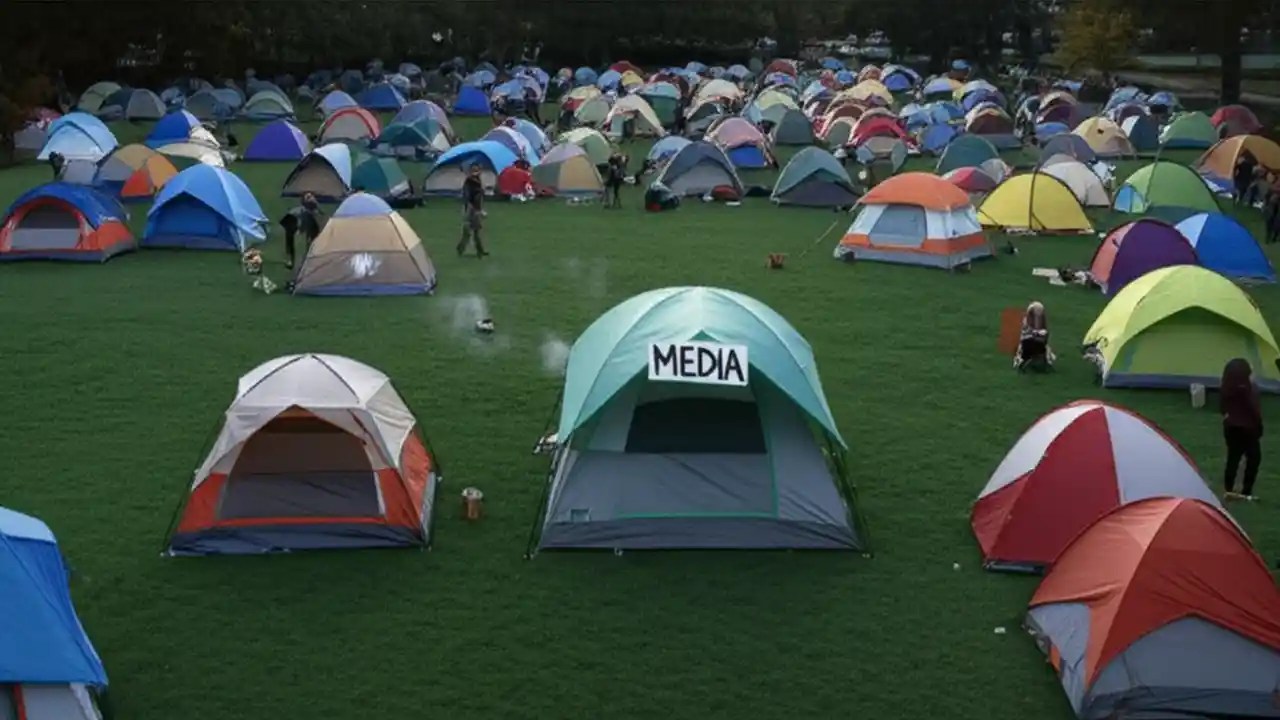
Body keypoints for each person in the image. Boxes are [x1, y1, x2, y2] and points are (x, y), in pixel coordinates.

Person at [1221, 358, 1263, 501]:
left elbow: (1223, 408)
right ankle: (1246, 491)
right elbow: (1254, 411)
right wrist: (1259, 426)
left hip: (1231, 428)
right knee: (1254, 458)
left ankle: (1228, 489)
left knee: (1233, 458)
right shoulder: (1249, 390)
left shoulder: (1227, 388)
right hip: (1248, 430)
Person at [457, 164, 488, 257]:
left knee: (475, 231)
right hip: (471, 209)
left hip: (474, 209)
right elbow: (468, 197)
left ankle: (479, 250)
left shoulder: (476, 181)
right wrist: (474, 209)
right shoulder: (471, 182)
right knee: (471, 231)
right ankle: (462, 248)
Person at [1013, 301, 1054, 370]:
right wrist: (1036, 333)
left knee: (1043, 348)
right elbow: (1025, 336)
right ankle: (1021, 360)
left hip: (1037, 345)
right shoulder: (1027, 322)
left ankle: (1044, 362)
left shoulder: (1041, 325)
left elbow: (1045, 338)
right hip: (1028, 344)